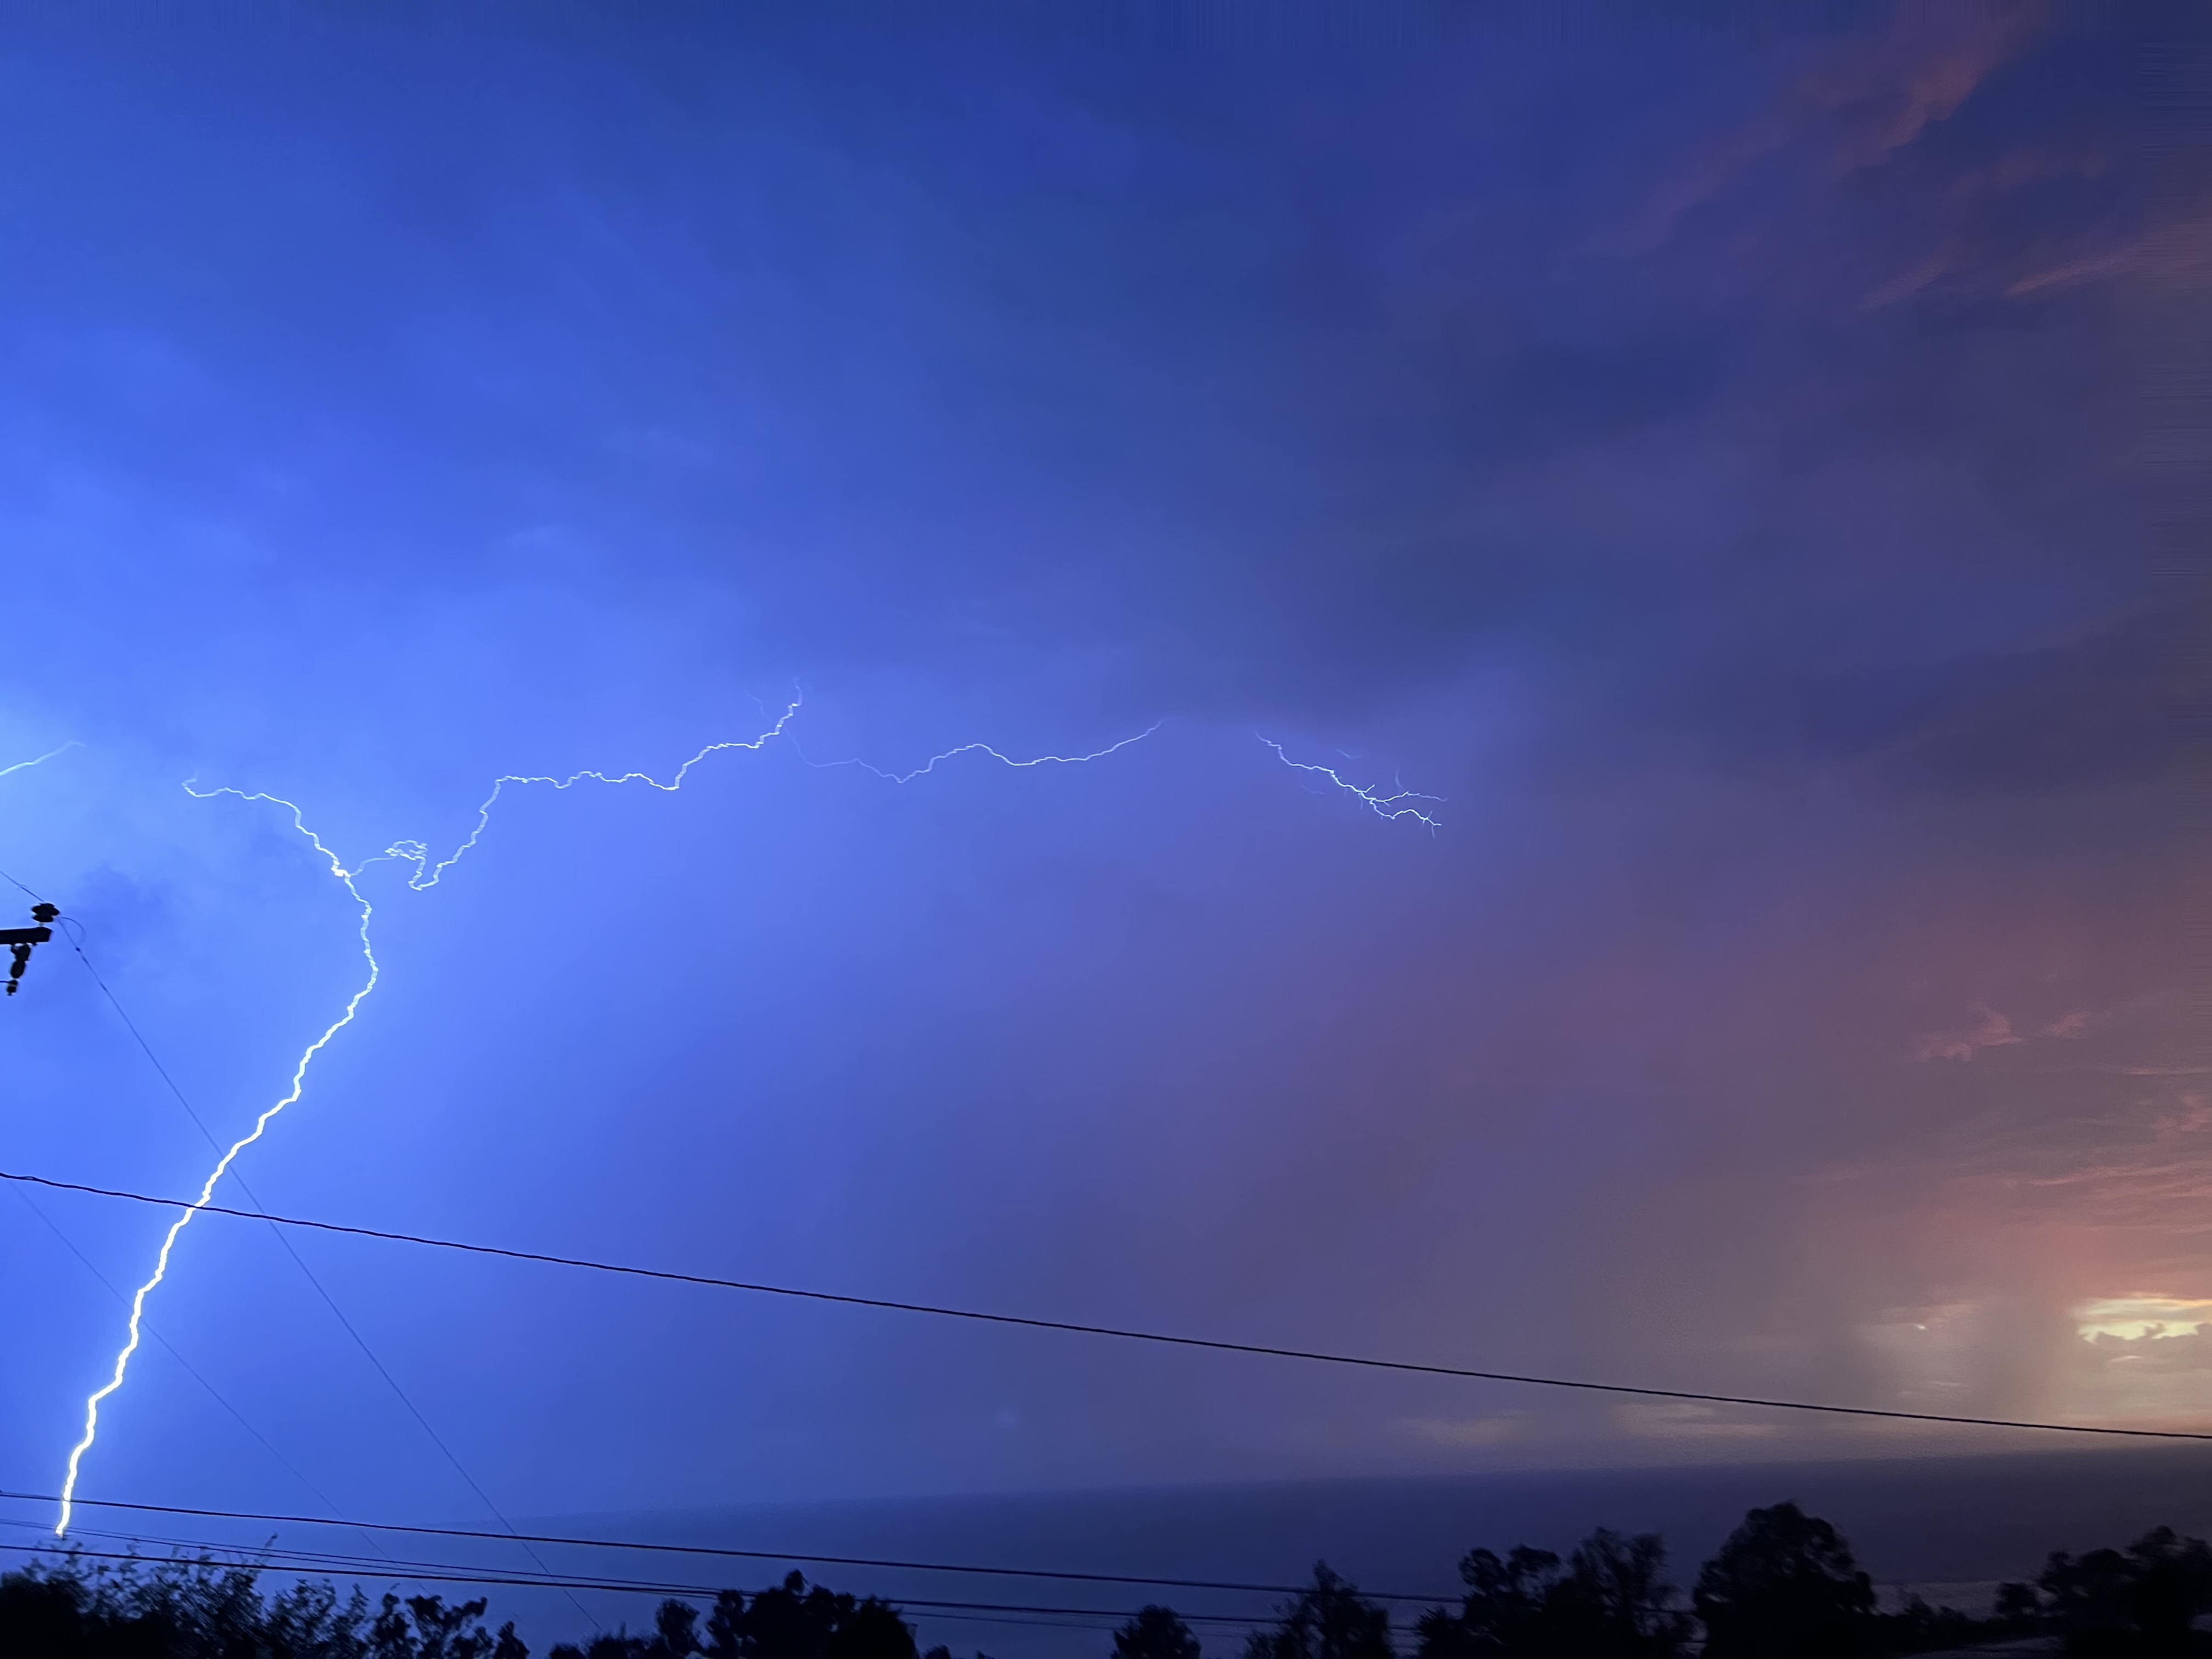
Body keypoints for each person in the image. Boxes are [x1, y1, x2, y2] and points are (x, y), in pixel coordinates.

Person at [2, 904, 58, 996]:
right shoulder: (17, 972)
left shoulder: (16, 972)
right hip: (22, 955)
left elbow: (19, 958)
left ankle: (11, 990)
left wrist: (14, 947)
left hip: (22, 955)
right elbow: (19, 959)